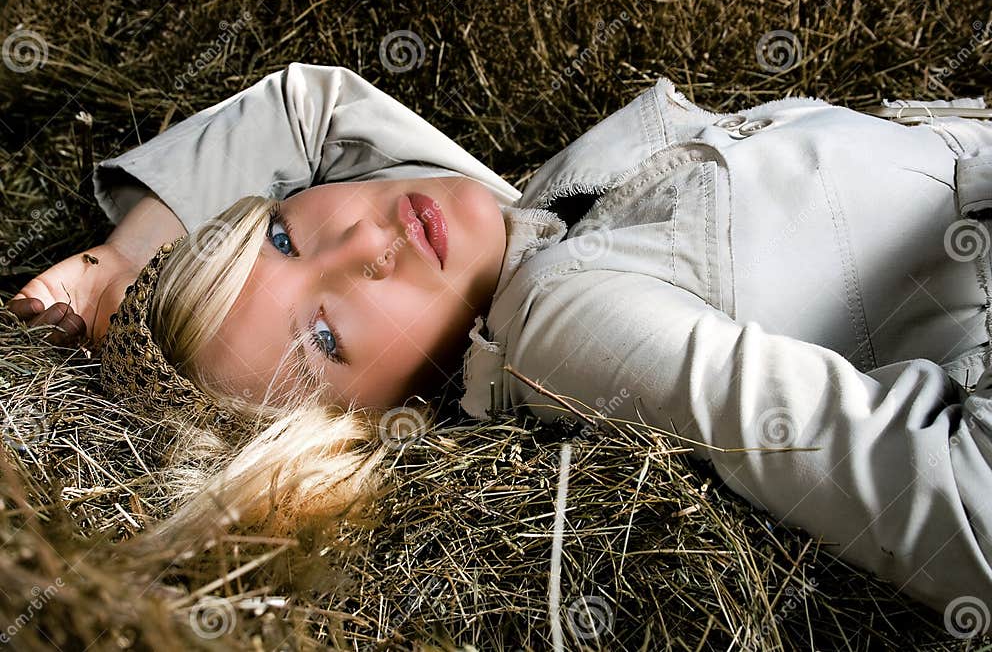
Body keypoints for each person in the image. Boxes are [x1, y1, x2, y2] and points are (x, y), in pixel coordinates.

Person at [6, 62, 992, 620]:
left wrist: (114, 258)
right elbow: (970, 516)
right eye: (323, 334)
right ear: (390, 420)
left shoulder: (494, 230)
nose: (363, 247)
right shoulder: (561, 324)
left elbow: (305, 106)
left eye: (283, 231)